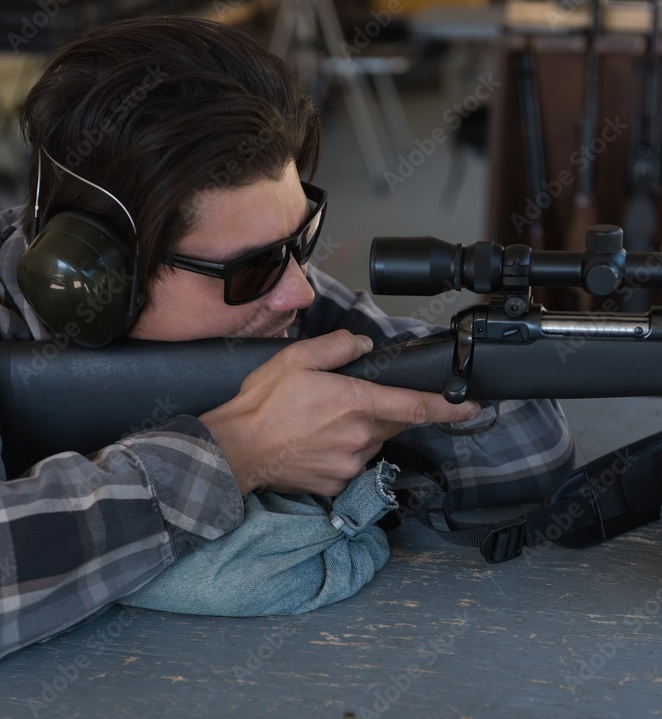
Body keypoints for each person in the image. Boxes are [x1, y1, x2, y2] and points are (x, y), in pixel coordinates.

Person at [0, 15, 574, 660]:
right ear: (92, 275)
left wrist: (389, 409)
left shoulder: (269, 294)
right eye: (251, 268)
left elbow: (530, 453)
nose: (297, 292)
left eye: (298, 241)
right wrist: (235, 454)